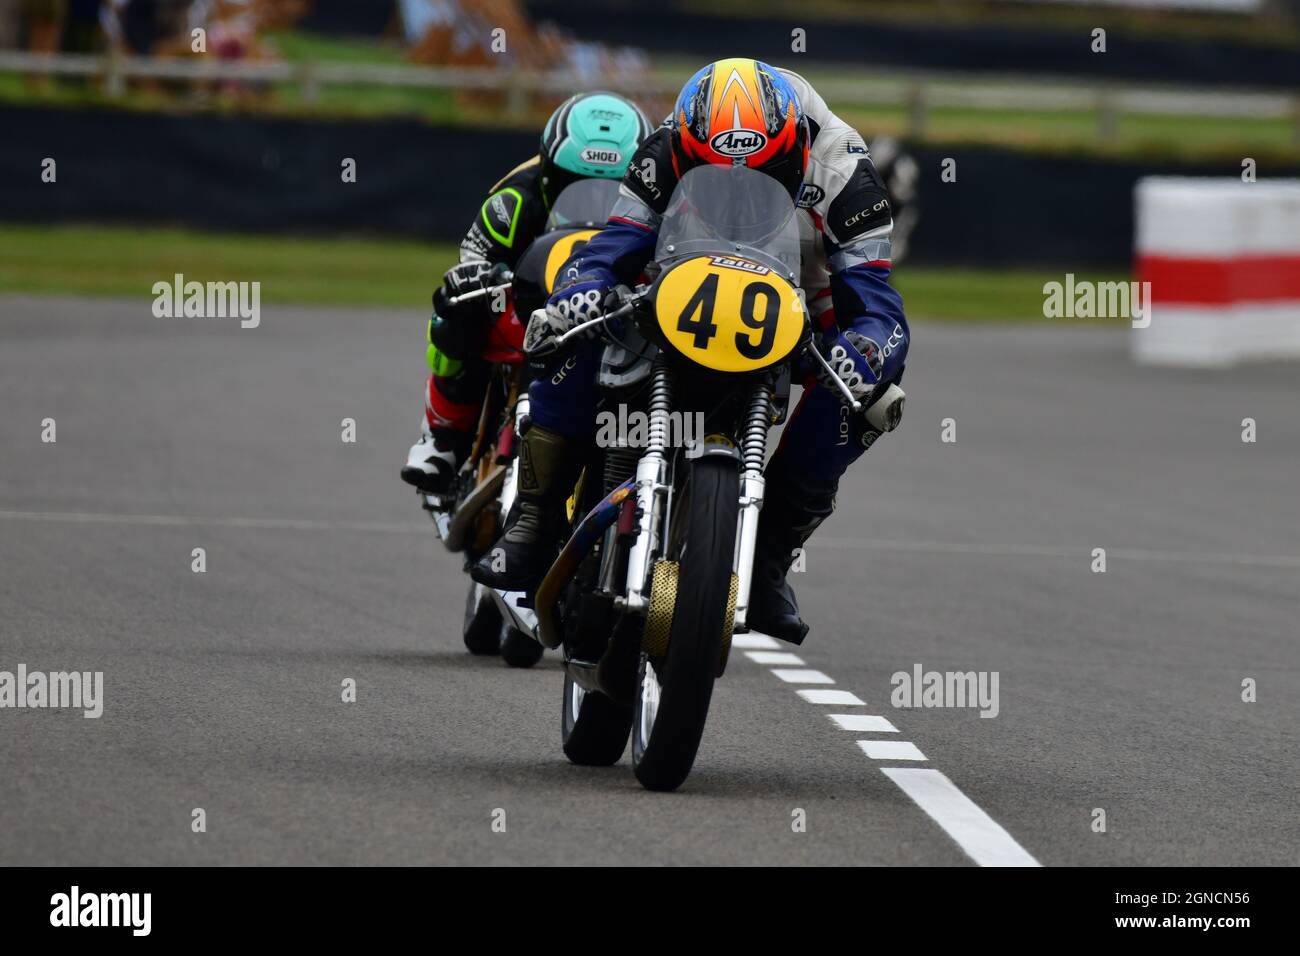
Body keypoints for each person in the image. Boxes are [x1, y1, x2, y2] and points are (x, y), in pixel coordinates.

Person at [471, 58, 909, 645]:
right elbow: (612, 245)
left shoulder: (844, 171)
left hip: (800, 283)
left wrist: (869, 349)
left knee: (868, 393)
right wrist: (582, 291)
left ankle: (772, 555)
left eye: (761, 173)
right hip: (680, 269)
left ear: (795, 147)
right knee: (568, 320)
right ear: (686, 145)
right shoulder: (667, 144)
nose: (738, 188)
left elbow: (878, 303)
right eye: (715, 171)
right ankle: (534, 515)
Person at [400, 91, 653, 494]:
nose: (594, 203)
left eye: (611, 192)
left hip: (608, 303)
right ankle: (441, 437)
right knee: (455, 311)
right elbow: (473, 259)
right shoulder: (514, 198)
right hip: (529, 295)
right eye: (577, 186)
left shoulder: (658, 198)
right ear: (550, 175)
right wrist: (483, 278)